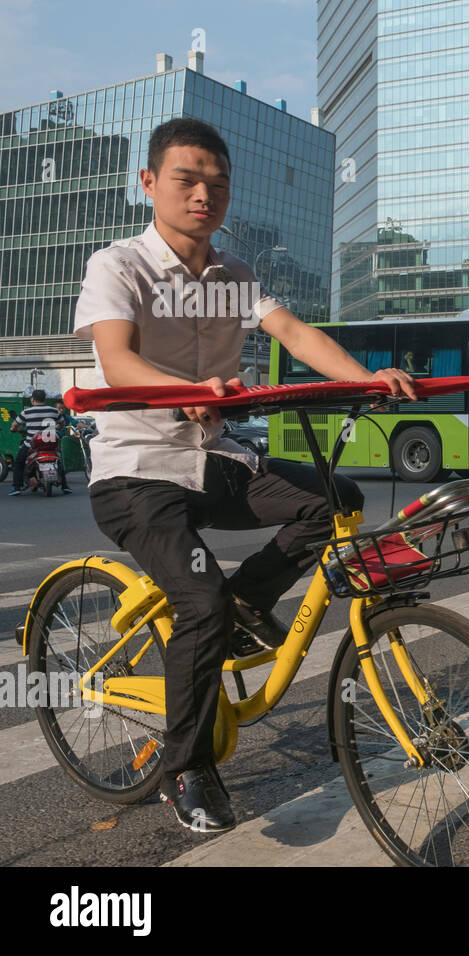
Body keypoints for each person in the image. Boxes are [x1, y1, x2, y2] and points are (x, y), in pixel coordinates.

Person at [73, 118, 417, 834]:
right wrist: (189, 391)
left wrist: (370, 380)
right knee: (197, 600)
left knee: (336, 500)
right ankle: (188, 766)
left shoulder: (235, 276)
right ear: (149, 184)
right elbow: (117, 362)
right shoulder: (119, 265)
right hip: (137, 471)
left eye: (217, 184)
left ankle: (242, 609)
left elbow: (292, 331)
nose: (205, 194)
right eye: (187, 179)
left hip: (213, 461)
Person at [9, 389, 68, 494]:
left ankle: (16, 488)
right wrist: (56, 427)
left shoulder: (27, 412)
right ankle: (65, 486)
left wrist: (14, 430)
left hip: (32, 445)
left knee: (19, 463)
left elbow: (14, 425)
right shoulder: (54, 411)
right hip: (50, 444)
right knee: (58, 461)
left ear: (32, 400)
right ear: (45, 399)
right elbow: (62, 424)